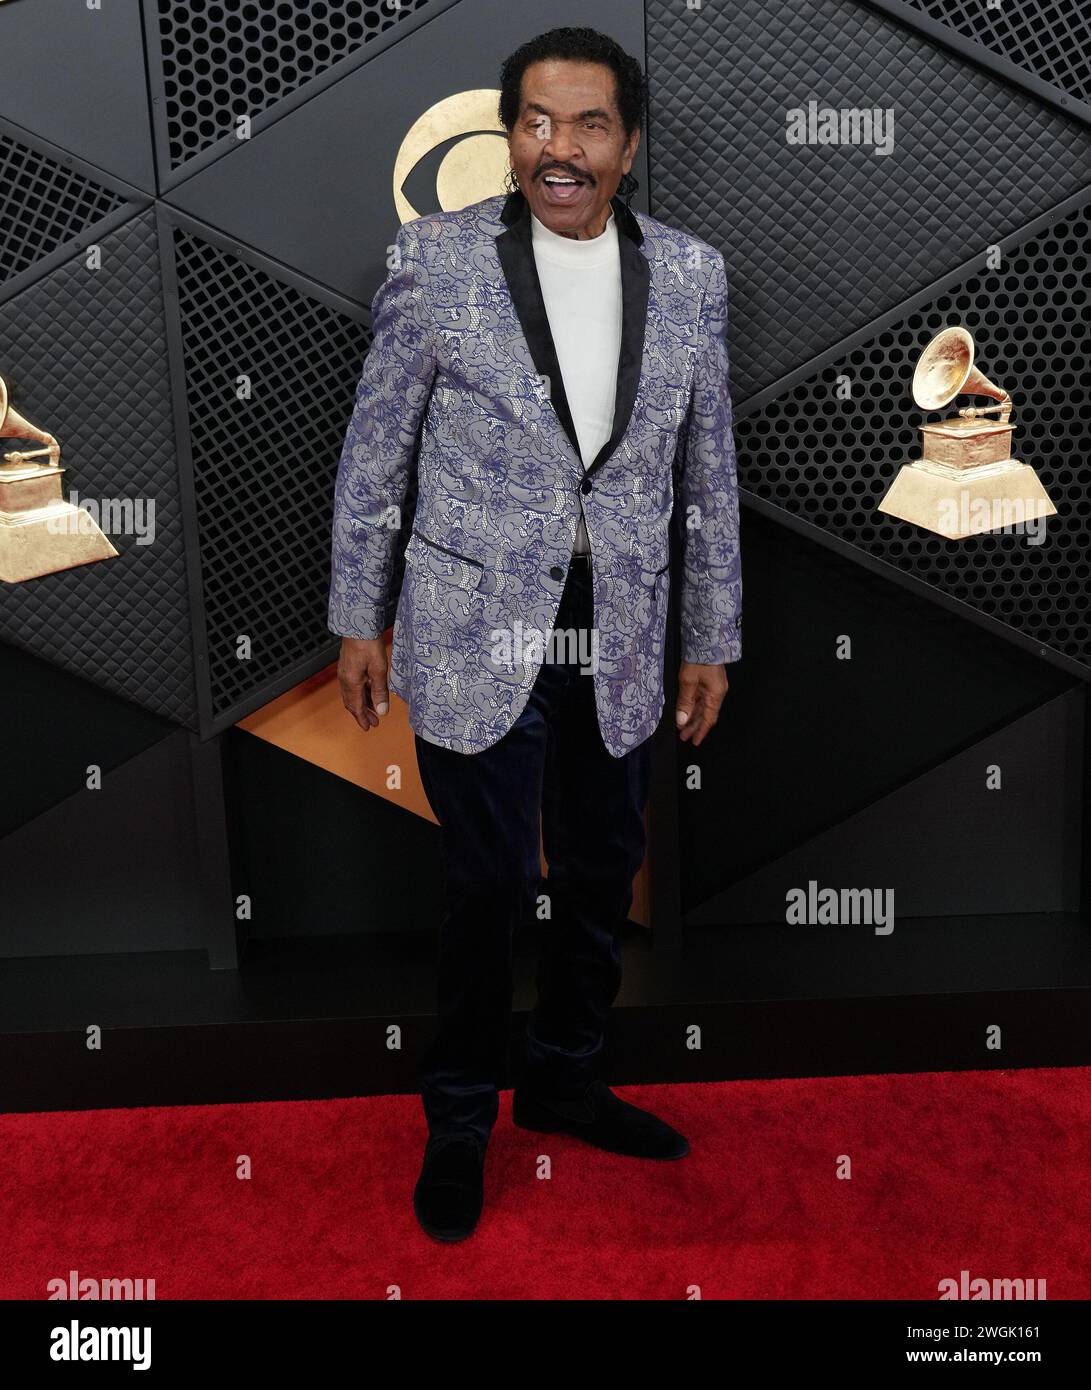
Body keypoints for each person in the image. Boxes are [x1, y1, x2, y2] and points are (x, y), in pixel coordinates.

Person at [327, 26, 742, 1242]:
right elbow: (375, 450)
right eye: (537, 123)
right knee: (488, 881)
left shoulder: (692, 273)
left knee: (603, 869)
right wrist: (361, 614)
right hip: (468, 622)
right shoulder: (433, 260)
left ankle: (562, 1078)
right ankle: (459, 1114)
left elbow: (706, 467)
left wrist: (707, 634)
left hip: (617, 620)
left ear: (628, 144)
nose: (560, 150)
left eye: (589, 125)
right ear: (508, 134)